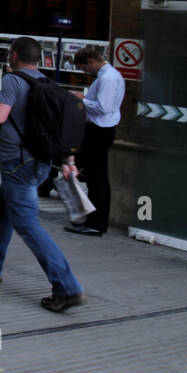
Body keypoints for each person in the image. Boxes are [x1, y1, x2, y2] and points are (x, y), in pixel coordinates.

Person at [0, 37, 84, 312]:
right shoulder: (48, 84)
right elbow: (61, 126)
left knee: (27, 222)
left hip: (17, 164)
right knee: (1, 204)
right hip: (39, 162)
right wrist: (68, 159)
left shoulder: (12, 81)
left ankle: (67, 287)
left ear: (14, 56)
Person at [65, 46, 124, 236]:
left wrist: (82, 99)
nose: (84, 72)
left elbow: (103, 107)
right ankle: (93, 220)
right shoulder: (111, 75)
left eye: (84, 68)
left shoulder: (107, 78)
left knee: (96, 178)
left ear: (91, 61)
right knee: (95, 177)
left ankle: (96, 224)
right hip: (102, 129)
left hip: (99, 129)